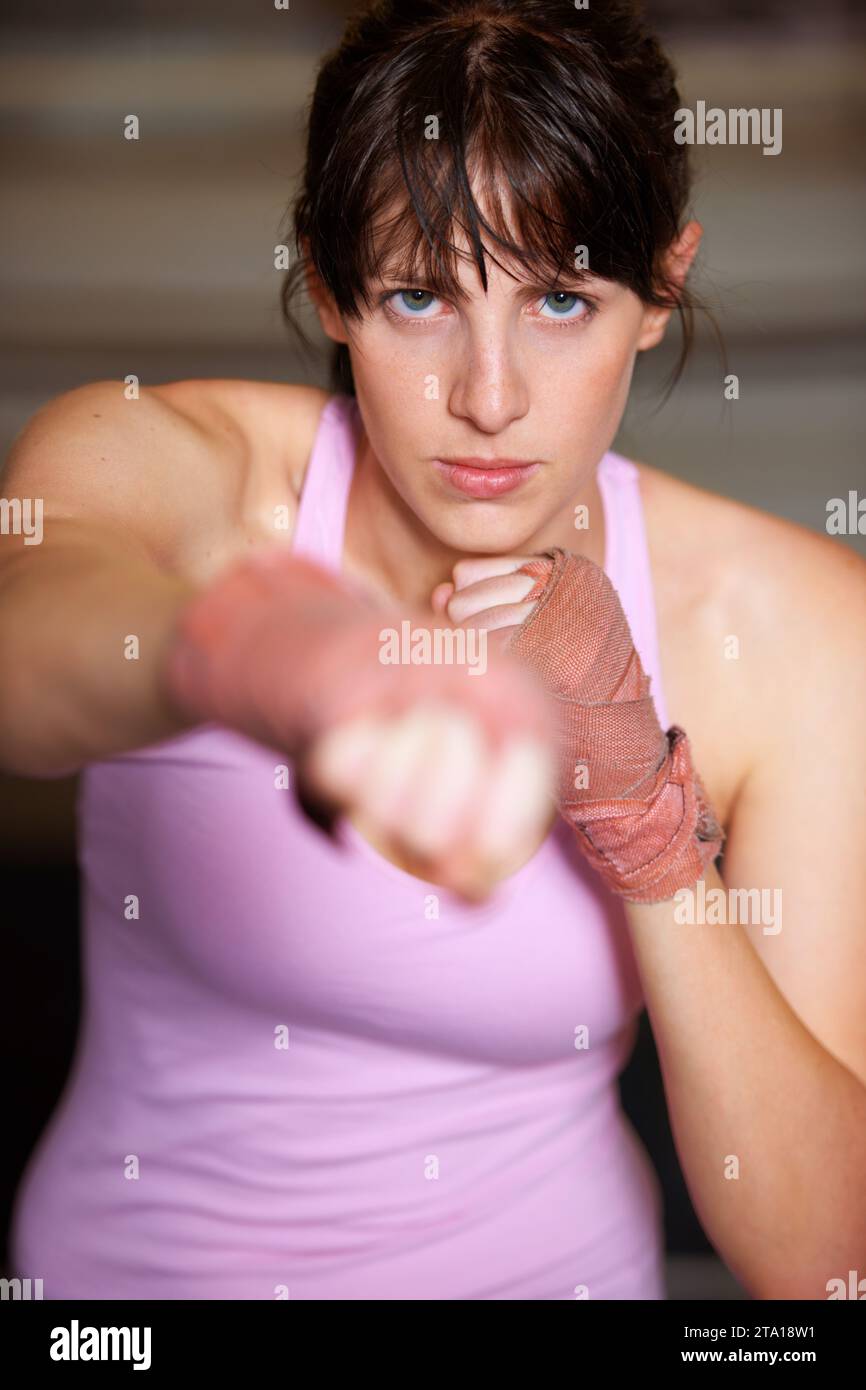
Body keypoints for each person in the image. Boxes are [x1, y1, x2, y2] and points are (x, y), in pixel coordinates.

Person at [3, 0, 865, 1301]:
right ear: (327, 280)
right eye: (418, 295)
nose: (490, 395)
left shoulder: (792, 619)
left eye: (561, 301)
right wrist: (261, 652)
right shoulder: (175, 469)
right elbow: (22, 657)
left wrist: (640, 808)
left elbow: (820, 1260)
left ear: (659, 288)